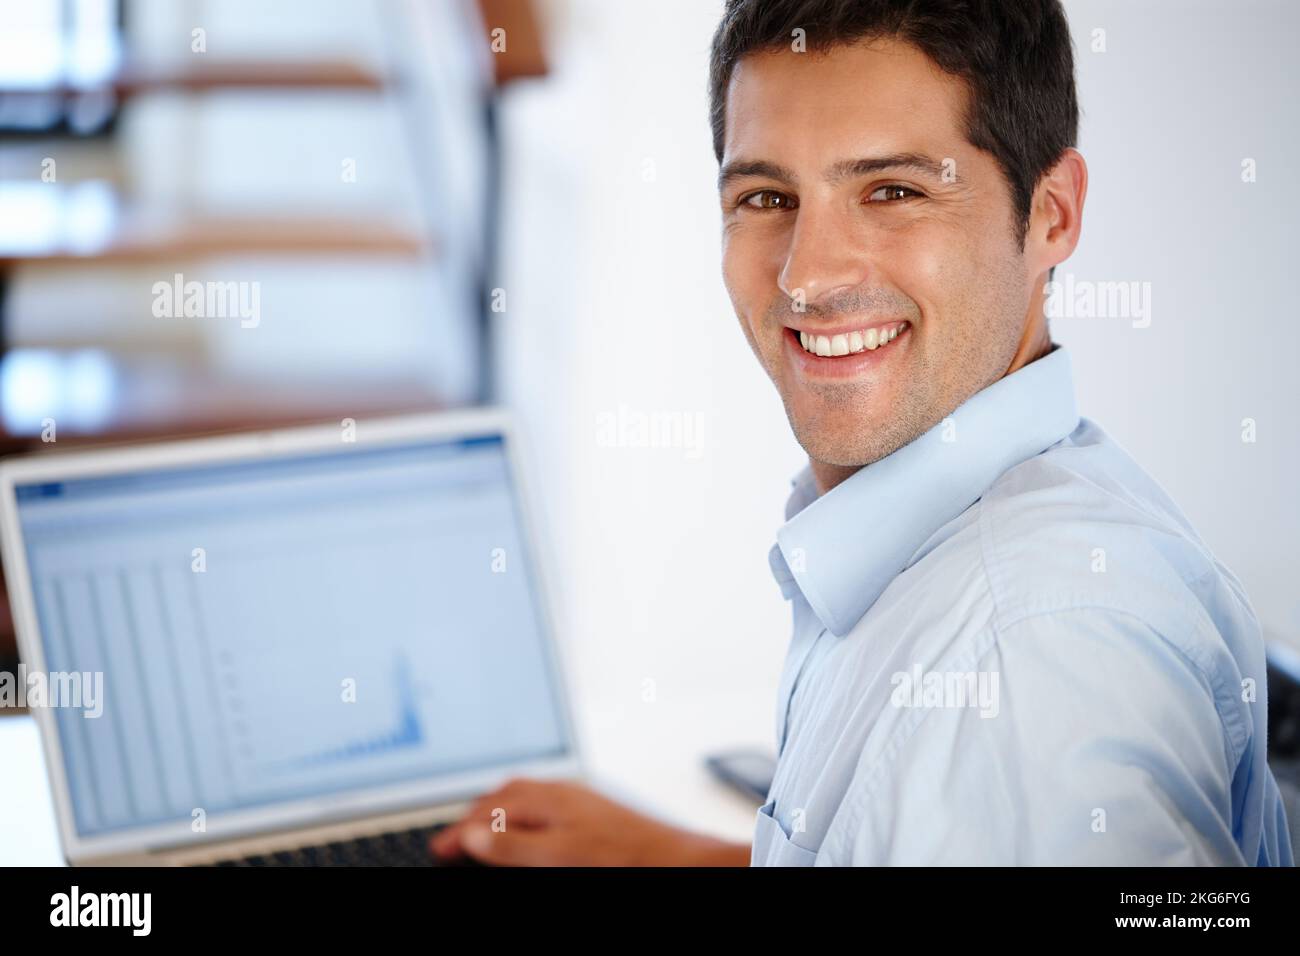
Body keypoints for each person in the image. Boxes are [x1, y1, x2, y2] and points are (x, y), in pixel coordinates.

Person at [432, 0, 1294, 865]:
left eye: (893, 191)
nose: (807, 274)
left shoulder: (1025, 660)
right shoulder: (976, 538)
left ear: (1051, 214)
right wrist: (671, 858)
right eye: (767, 196)